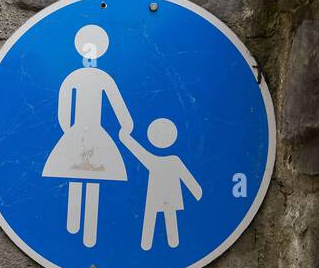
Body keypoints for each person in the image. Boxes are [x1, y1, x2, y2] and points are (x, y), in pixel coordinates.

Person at [42, 25, 134, 247]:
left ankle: (81, 230)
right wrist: (126, 125)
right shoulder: (99, 77)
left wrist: (69, 132)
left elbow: (64, 112)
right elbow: (118, 107)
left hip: (79, 132)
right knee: (91, 178)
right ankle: (81, 231)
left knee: (84, 177)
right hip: (88, 132)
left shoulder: (76, 77)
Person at [119, 117, 202, 249]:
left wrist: (125, 138)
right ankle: (153, 245)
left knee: (159, 218)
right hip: (162, 195)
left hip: (163, 196)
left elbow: (140, 152)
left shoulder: (159, 161)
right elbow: (187, 178)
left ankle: (154, 245)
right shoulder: (170, 160)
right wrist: (197, 191)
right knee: (161, 218)